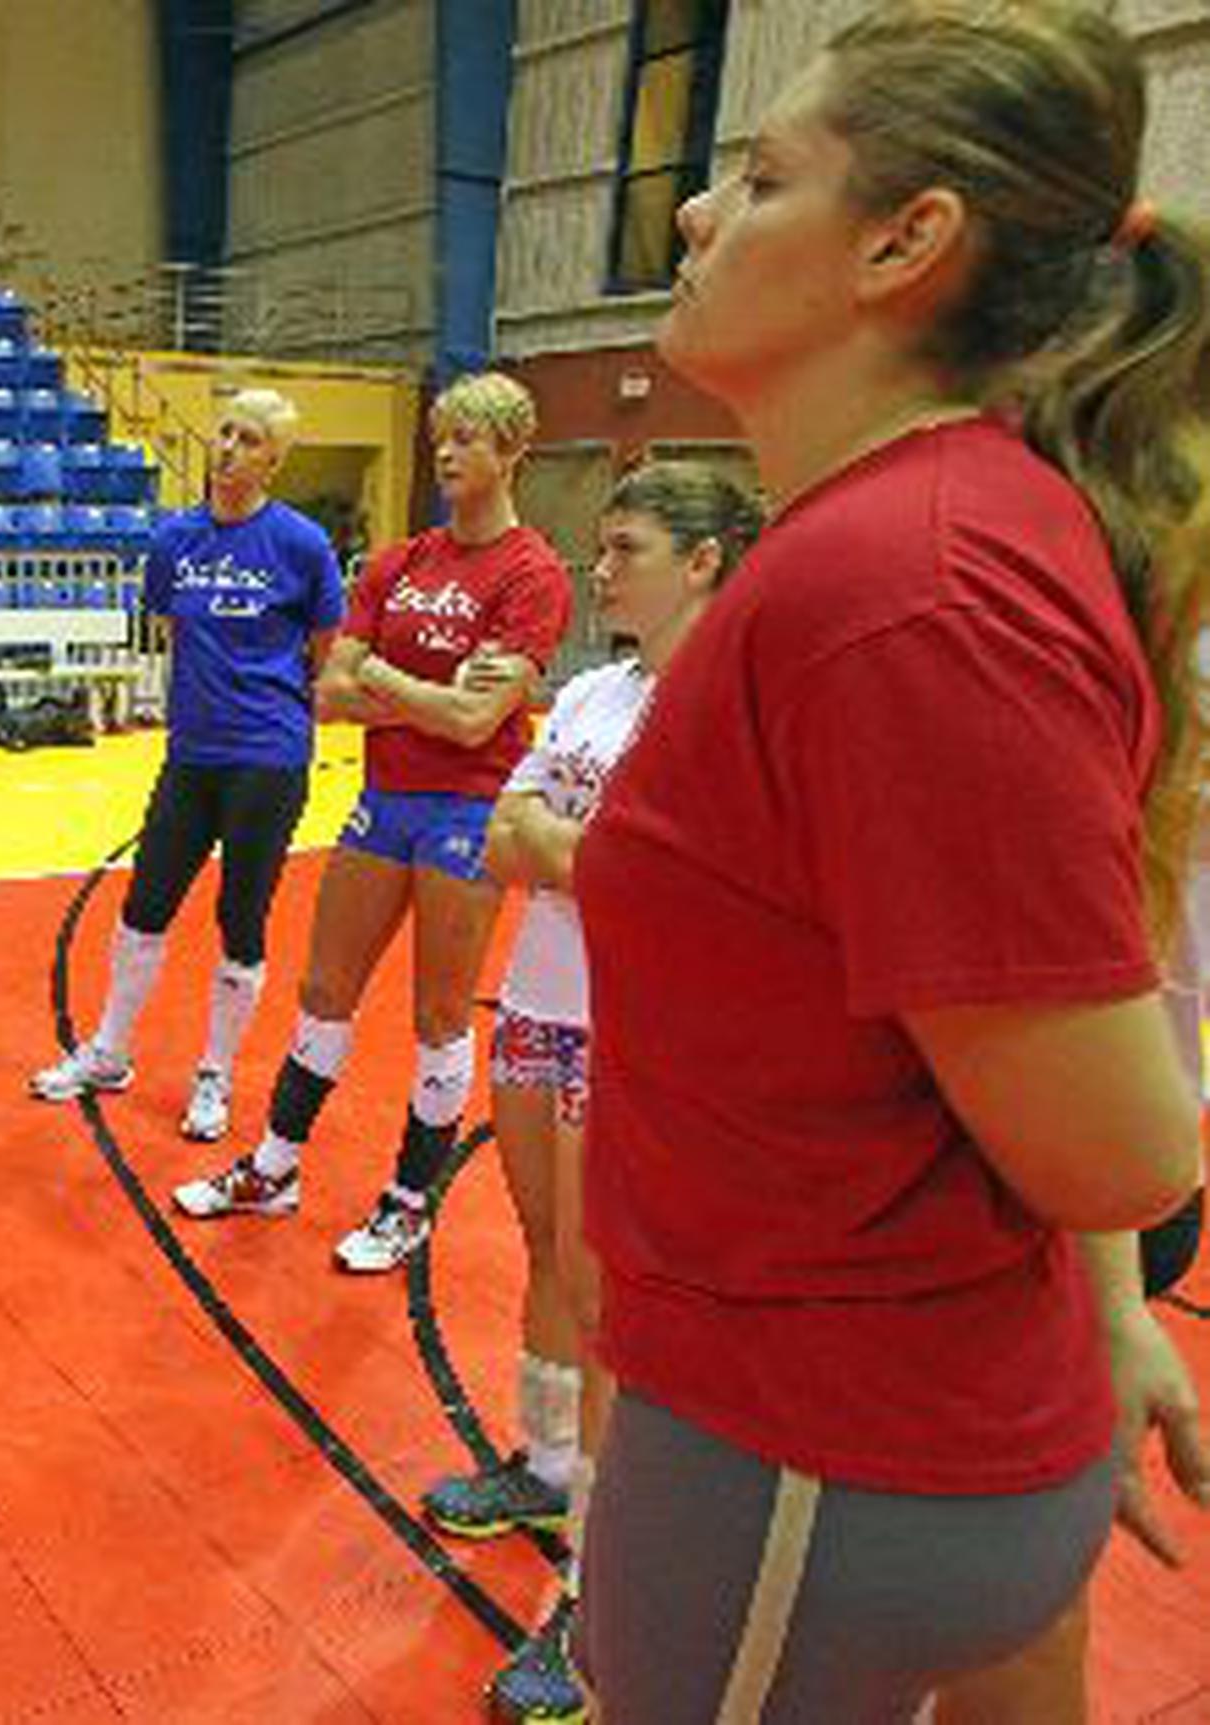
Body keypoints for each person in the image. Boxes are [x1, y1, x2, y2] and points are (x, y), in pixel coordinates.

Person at [573, 4, 1207, 1716]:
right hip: (863, 1421)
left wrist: (1111, 1299)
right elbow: (982, 1010)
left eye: (765, 177)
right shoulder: (898, 547)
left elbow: (1119, 1142)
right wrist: (1112, 1320)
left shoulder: (905, 594)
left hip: (822, 1450)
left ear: (906, 243)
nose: (699, 216)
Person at [408, 462, 762, 1721]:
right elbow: (510, 838)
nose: (597, 569)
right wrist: (590, 855)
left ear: (706, 559)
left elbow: (674, 884)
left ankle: (603, 1595)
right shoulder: (599, 691)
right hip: (547, 1004)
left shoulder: (732, 703)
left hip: (646, 1033)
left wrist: (581, 855)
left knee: (617, 1292)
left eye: (624, 548)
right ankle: (548, 1463)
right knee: (550, 1255)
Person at [164, 373, 572, 1276]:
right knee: (323, 987)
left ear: (511, 453)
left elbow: (476, 723)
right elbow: (332, 692)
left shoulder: (531, 572)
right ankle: (274, 1166)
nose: (448, 453)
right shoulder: (398, 561)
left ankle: (408, 1198)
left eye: (467, 439)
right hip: (385, 801)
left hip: (471, 808)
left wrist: (386, 683)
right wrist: (415, 692)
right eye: (440, 438)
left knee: (437, 1011)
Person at [27, 390, 341, 1140]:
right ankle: (108, 1051)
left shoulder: (301, 544)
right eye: (224, 432)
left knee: (241, 918)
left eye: (249, 438)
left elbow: (324, 649)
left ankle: (215, 1073)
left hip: (268, 756)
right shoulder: (175, 540)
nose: (228, 447)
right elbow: (168, 626)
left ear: (274, 458)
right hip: (191, 754)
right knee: (145, 906)